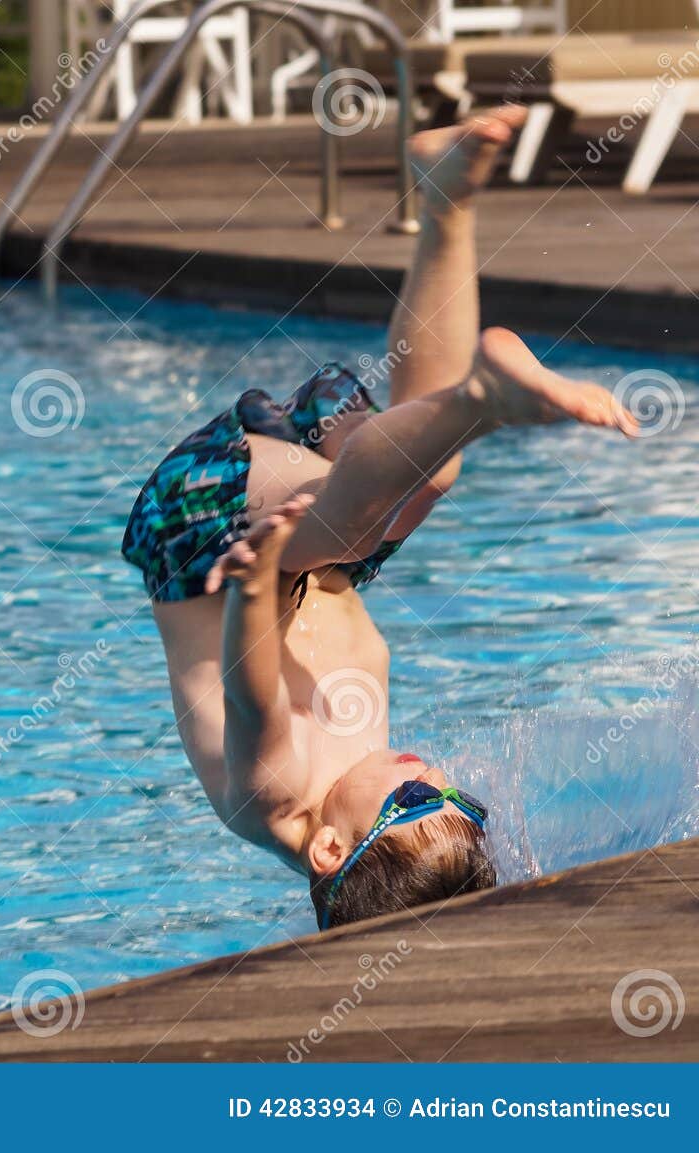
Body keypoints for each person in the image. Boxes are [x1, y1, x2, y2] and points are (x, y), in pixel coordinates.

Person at [121, 107, 638, 929]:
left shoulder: (273, 792)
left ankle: (484, 401)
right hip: (318, 546)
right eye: (452, 796)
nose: (426, 772)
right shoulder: (360, 776)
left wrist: (266, 563)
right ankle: (446, 200)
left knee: (386, 503)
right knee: (425, 464)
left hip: (205, 536)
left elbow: (250, 673)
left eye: (410, 801)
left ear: (331, 848)